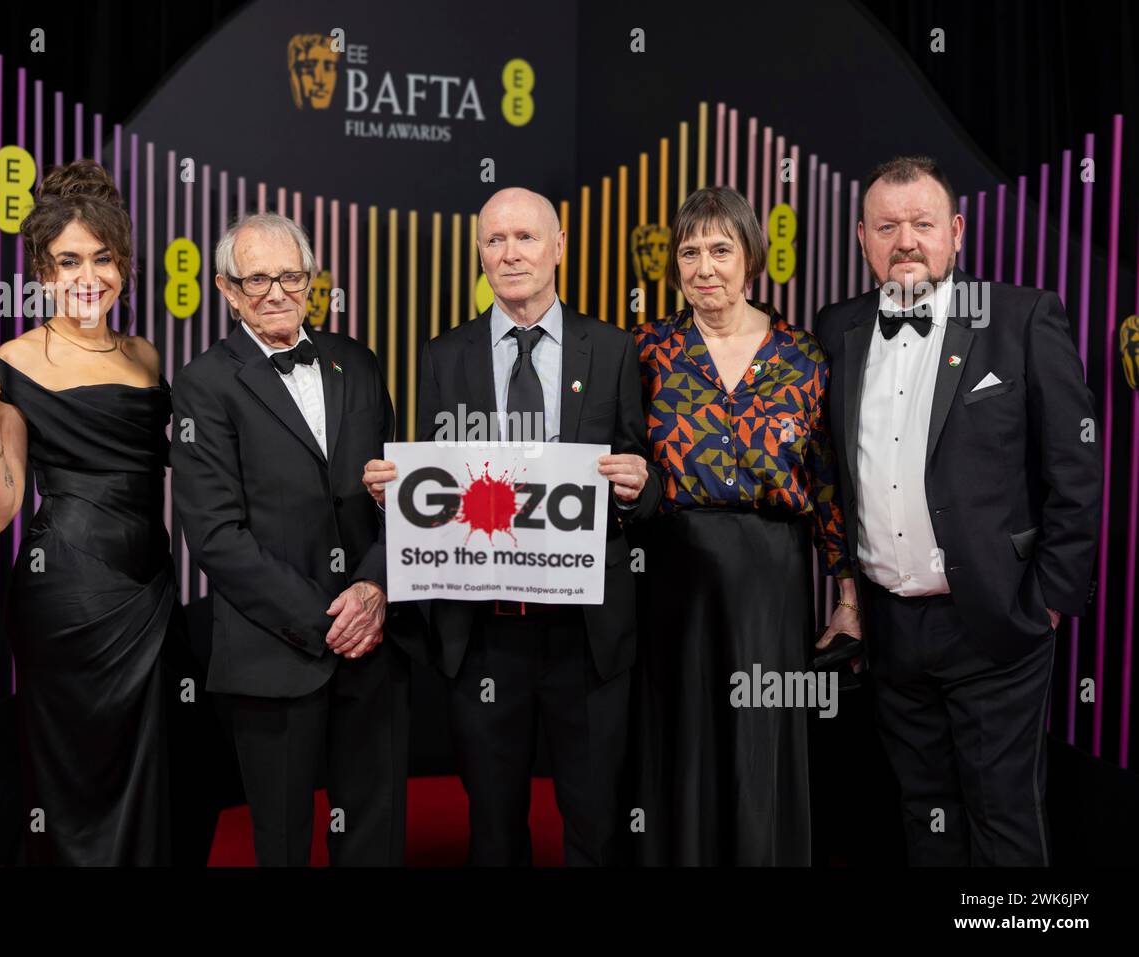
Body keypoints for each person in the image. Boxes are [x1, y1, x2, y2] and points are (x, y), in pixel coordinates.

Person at [816, 155, 1103, 865]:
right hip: (890, 628)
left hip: (997, 623)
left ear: (958, 232)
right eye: (887, 225)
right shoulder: (836, 328)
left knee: (1004, 819)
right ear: (861, 238)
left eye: (923, 223)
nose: (905, 239)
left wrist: (1048, 602)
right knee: (926, 815)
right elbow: (827, 473)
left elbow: (1076, 468)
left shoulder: (1022, 317)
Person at [363, 187, 658, 866]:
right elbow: (435, 484)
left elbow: (643, 473)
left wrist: (638, 486)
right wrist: (394, 492)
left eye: (526, 237)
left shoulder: (612, 348)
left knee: (597, 825)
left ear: (559, 247)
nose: (511, 252)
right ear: (479, 254)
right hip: (485, 632)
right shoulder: (443, 356)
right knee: (493, 830)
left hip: (587, 634)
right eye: (495, 240)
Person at [170, 212, 418, 866]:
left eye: (291, 276)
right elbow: (217, 536)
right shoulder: (203, 384)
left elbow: (408, 495)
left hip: (375, 643)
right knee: (282, 844)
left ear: (312, 280)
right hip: (274, 653)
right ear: (226, 289)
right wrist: (327, 620)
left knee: (375, 838)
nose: (277, 292)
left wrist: (373, 588)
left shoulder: (357, 361)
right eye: (257, 279)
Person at [0, 159, 179, 865]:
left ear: (123, 265)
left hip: (153, 594)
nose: (89, 276)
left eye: (103, 258)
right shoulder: (13, 361)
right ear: (42, 272)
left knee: (153, 782)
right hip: (71, 600)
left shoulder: (146, 355)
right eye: (68, 260)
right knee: (72, 788)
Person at [632, 186, 859, 866]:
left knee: (759, 754)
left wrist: (847, 594)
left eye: (721, 249)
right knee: (679, 748)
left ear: (751, 257)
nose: (704, 266)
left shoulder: (803, 356)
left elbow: (828, 488)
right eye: (689, 251)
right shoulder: (646, 351)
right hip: (672, 581)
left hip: (771, 581)